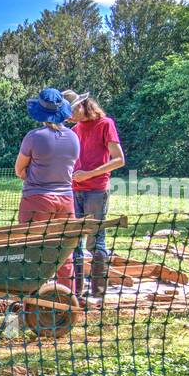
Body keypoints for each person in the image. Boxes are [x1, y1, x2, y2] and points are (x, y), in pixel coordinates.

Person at [14, 87, 81, 294]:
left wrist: (34, 175)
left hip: (37, 199)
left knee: (32, 249)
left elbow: (19, 170)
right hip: (66, 199)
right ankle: (66, 299)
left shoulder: (34, 137)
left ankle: (32, 297)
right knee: (64, 252)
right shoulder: (73, 137)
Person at [63, 90, 125, 301]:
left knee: (96, 242)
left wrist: (89, 174)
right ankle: (76, 292)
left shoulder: (106, 124)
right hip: (74, 190)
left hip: (97, 190)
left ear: (83, 105)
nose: (69, 117)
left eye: (71, 111)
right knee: (73, 243)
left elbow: (119, 160)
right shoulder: (74, 130)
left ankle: (98, 294)